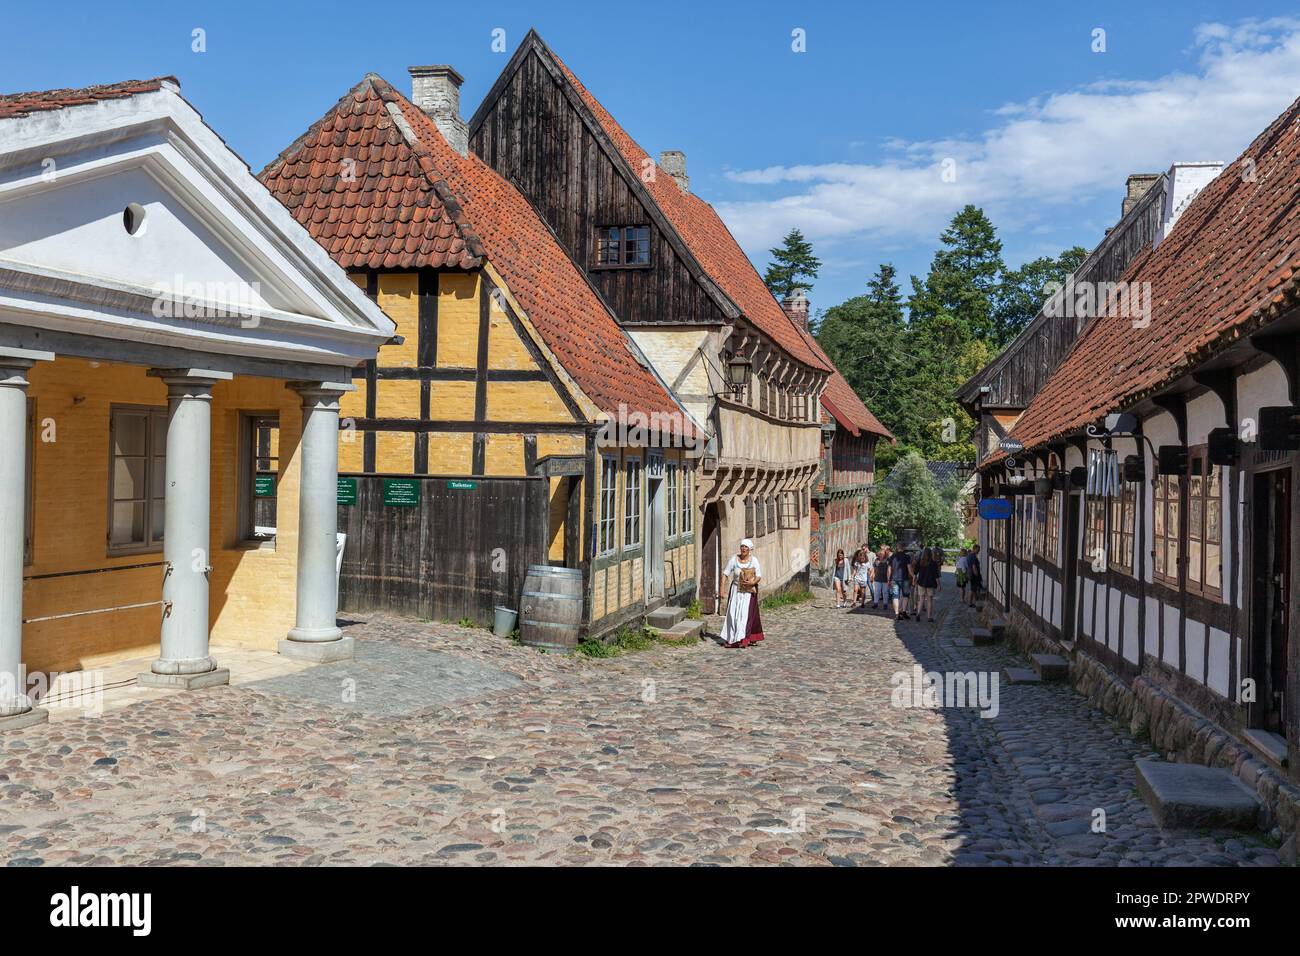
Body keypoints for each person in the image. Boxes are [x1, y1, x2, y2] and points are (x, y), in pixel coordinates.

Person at [720, 538, 765, 648]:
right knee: (733, 614)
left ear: (749, 549)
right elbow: (725, 574)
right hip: (736, 590)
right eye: (742, 546)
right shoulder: (734, 559)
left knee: (744, 615)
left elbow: (758, 575)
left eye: (746, 547)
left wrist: (752, 582)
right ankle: (732, 638)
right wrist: (722, 589)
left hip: (748, 592)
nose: (743, 549)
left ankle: (743, 639)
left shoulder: (753, 560)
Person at [914, 547, 941, 622]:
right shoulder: (933, 563)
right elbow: (936, 575)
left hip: (921, 583)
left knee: (921, 599)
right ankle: (929, 617)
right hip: (930, 583)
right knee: (929, 600)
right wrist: (939, 585)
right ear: (931, 554)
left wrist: (914, 580)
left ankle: (918, 614)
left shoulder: (920, 562)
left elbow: (915, 573)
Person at [889, 544, 914, 621]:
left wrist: (888, 579)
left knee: (895, 596)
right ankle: (903, 611)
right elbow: (909, 569)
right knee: (906, 595)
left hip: (894, 579)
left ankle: (897, 613)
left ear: (897, 548)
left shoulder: (892, 557)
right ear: (904, 548)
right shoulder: (907, 557)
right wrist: (914, 576)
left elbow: (889, 569)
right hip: (905, 579)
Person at [872, 545, 892, 610]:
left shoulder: (888, 560)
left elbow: (890, 569)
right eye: (880, 554)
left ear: (885, 554)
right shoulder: (876, 560)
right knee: (877, 591)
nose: (880, 555)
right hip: (877, 578)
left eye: (882, 554)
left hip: (886, 578)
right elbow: (874, 568)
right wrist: (872, 575)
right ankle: (875, 603)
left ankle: (885, 604)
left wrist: (890, 578)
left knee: (885, 592)